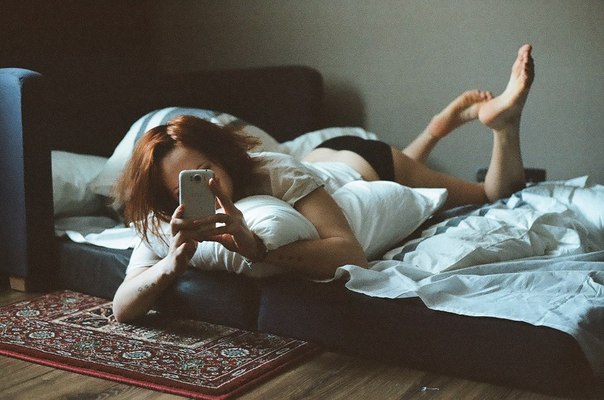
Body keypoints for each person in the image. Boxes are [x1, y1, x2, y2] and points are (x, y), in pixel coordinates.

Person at [112, 44, 535, 322]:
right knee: (394, 164)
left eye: (205, 170)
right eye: (182, 187)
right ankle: (434, 131)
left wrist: (257, 248)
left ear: (222, 158)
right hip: (320, 159)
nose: (202, 187)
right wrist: (171, 264)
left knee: (488, 195)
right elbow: (122, 307)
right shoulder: (164, 219)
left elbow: (349, 253)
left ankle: (503, 125)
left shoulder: (273, 172)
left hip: (367, 162)